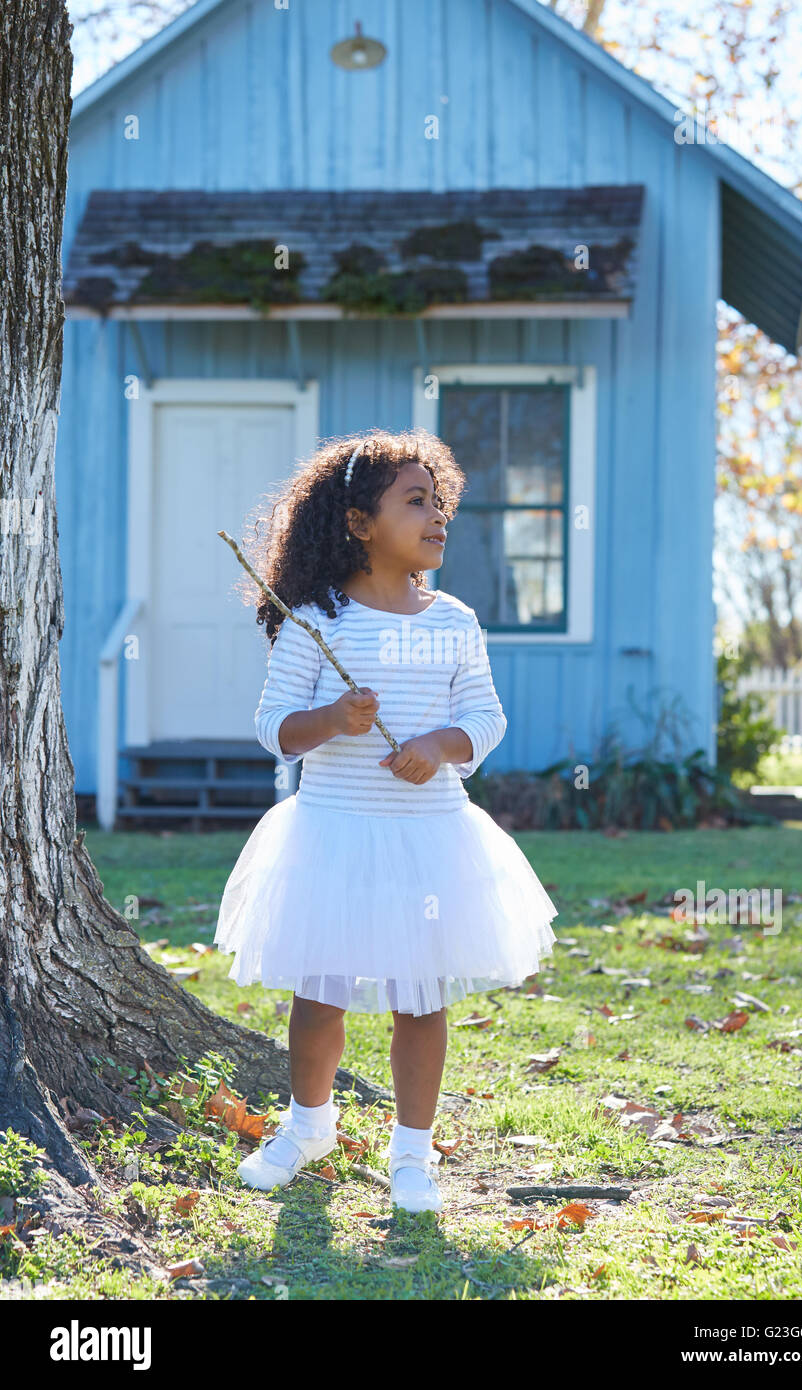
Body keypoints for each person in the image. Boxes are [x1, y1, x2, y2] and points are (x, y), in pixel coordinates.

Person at [214, 427, 558, 1214]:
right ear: (360, 524)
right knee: (319, 990)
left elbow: (486, 716)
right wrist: (333, 717)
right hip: (332, 831)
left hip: (428, 838)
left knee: (421, 997)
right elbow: (274, 726)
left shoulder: (455, 621)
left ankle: (413, 1153)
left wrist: (440, 744)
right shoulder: (315, 620)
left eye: (441, 503)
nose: (437, 516)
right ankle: (308, 1127)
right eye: (415, 502)